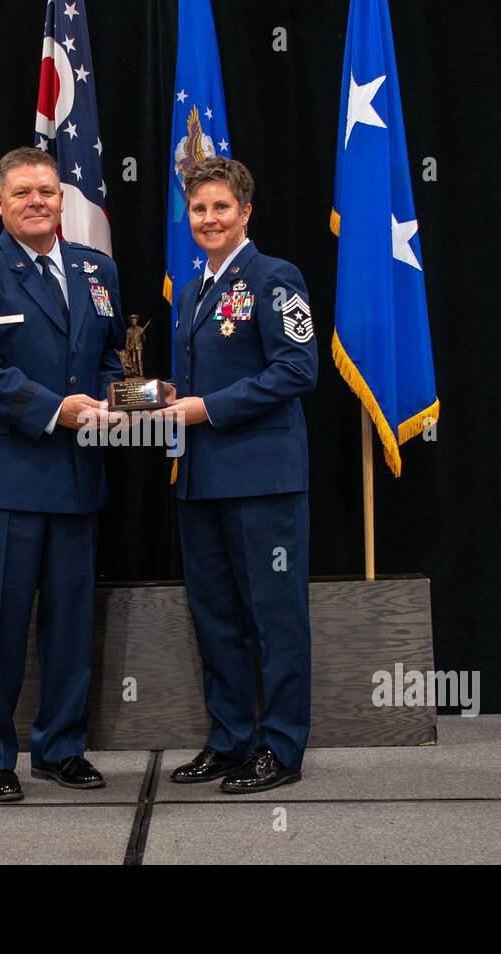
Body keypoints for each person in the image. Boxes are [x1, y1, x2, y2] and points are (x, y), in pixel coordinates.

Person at [0, 147, 125, 802]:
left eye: (46, 189)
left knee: (71, 624)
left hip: (76, 475)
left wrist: (113, 398)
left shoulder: (96, 269)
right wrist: (57, 411)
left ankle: (60, 747)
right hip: (5, 478)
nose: (37, 201)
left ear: (61, 196)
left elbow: (110, 356)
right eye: (22, 192)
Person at [165, 156, 317, 793]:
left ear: (245, 212)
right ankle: (230, 740)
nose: (208, 219)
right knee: (216, 615)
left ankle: (280, 749)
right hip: (200, 479)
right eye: (199, 209)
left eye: (220, 207)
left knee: (273, 616)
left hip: (261, 479)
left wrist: (207, 408)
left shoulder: (276, 278)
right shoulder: (195, 285)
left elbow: (297, 369)